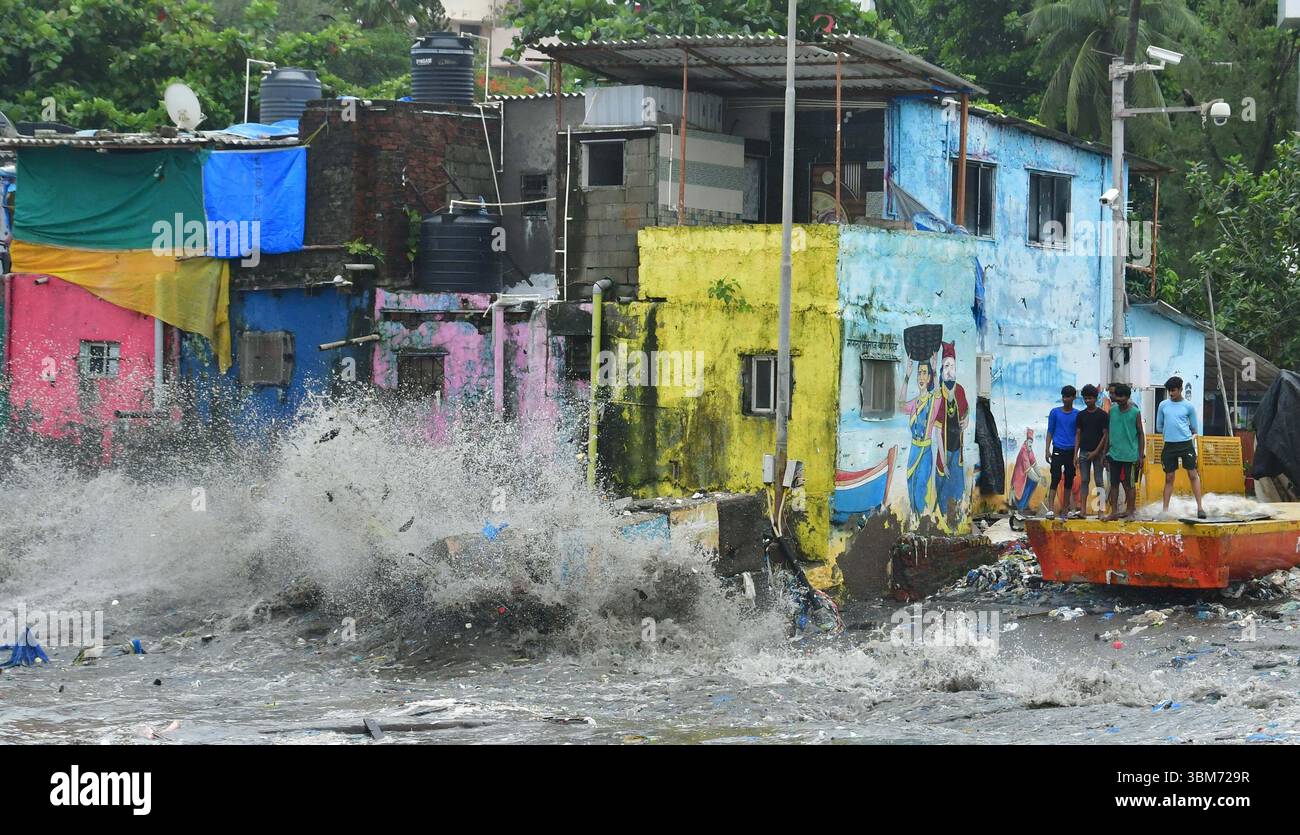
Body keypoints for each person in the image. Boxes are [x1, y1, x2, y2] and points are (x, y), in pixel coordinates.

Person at [1156, 375, 1207, 519]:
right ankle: (1165, 510)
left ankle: (1200, 507)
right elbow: (1159, 425)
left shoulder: (1188, 406)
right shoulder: (1163, 405)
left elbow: (1194, 427)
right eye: (1169, 391)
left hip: (1185, 444)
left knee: (1192, 474)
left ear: (1180, 389)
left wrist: (1184, 433)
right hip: (1169, 445)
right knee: (1169, 477)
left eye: (1174, 390)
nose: (1171, 393)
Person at [1104, 383, 1145, 520]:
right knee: (1114, 484)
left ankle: (1130, 511)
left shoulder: (1135, 412)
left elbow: (1140, 434)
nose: (1119, 398)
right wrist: (1105, 452)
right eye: (1117, 395)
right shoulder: (1112, 411)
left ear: (1127, 397)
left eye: (1122, 396)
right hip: (1114, 454)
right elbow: (1108, 433)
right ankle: (1114, 512)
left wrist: (1140, 455)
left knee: (1129, 484)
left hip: (1130, 456)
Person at [1074, 384, 1109, 518]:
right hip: (1083, 452)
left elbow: (1105, 435)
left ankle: (1101, 511)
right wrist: (1075, 454)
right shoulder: (1081, 415)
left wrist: (1097, 452)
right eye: (1085, 398)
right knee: (1084, 480)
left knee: (1099, 480)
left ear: (1095, 398)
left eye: (1090, 398)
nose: (1087, 401)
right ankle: (1083, 510)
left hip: (1098, 453)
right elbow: (1078, 434)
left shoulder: (1102, 415)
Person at [1045, 385, 1078, 518]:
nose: (1065, 399)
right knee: (1055, 478)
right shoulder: (1055, 412)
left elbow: (1078, 435)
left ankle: (1066, 509)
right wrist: (1047, 449)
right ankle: (1050, 509)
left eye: (1068, 396)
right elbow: (1050, 431)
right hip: (1058, 449)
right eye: (1064, 396)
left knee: (1069, 480)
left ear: (1074, 397)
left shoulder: (1077, 414)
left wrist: (1076, 453)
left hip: (1070, 451)